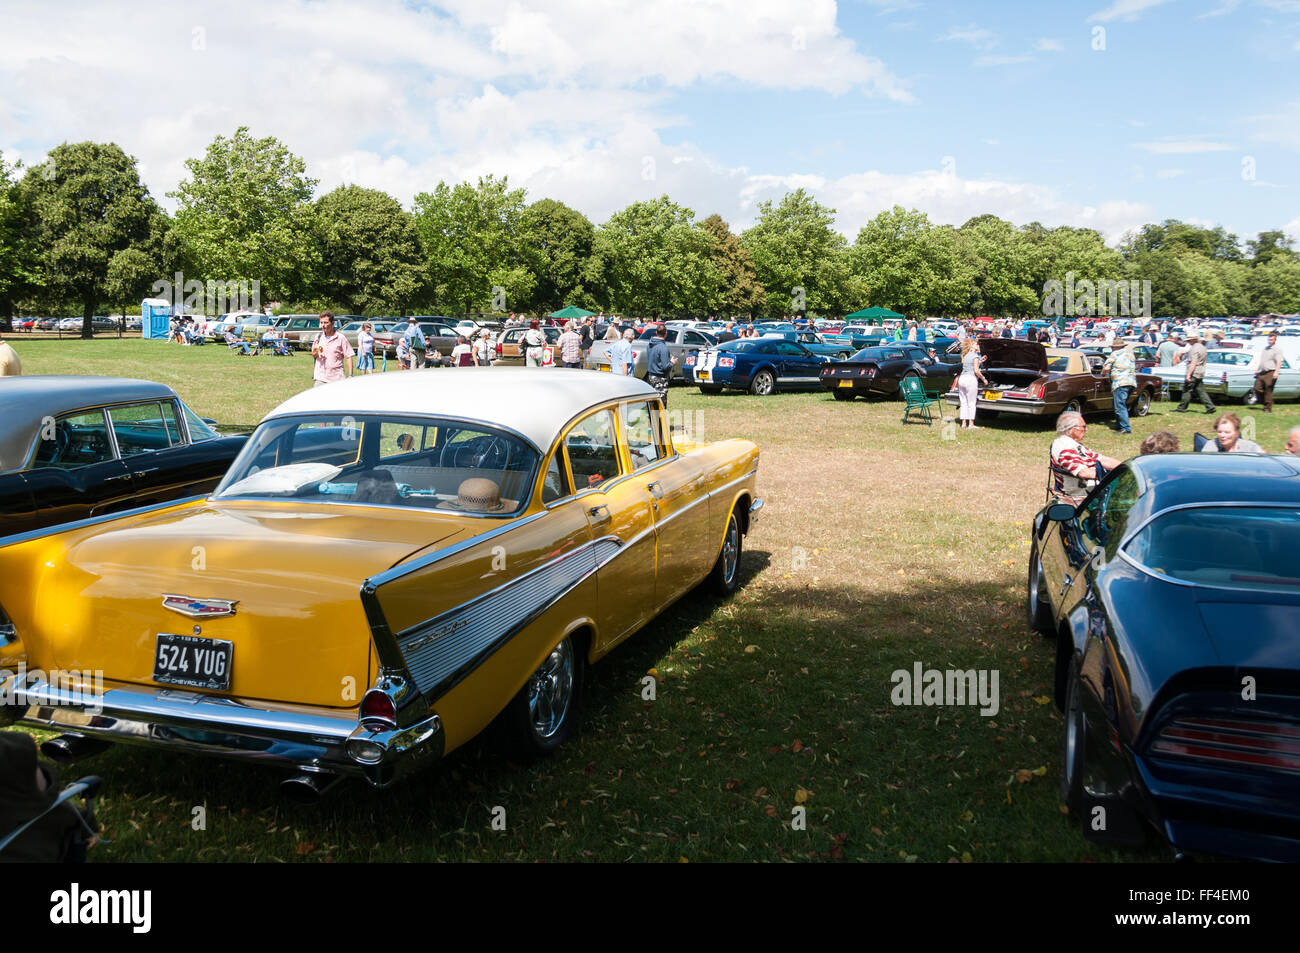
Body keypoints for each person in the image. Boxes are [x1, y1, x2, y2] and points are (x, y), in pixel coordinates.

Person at [1051, 411, 1122, 503]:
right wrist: (1110, 475)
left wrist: (1125, 466)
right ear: (1073, 429)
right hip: (1080, 493)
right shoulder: (1065, 448)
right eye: (1083, 427)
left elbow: (1102, 459)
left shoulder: (1075, 445)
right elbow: (1083, 473)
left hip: (1090, 486)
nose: (1086, 429)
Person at [1173, 331, 1215, 413]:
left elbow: (1193, 362)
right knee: (1200, 390)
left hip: (1194, 372)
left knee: (1187, 389)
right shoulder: (1203, 347)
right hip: (1201, 371)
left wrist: (1188, 375)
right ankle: (1210, 407)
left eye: (1189, 340)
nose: (1188, 342)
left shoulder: (1194, 349)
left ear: (1194, 340)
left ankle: (1182, 407)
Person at [1103, 339, 1137, 434]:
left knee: (1120, 406)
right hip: (1131, 382)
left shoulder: (1114, 354)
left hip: (1120, 382)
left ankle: (1125, 428)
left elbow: (1107, 367)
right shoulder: (1130, 355)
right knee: (1120, 404)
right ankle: (1119, 424)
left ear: (1115, 347)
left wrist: (1103, 373)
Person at [311, 312, 354, 387]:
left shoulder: (340, 338)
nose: (323, 325)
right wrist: (315, 353)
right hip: (321, 377)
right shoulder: (318, 337)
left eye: (326, 322)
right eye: (321, 323)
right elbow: (314, 355)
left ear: (332, 323)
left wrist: (350, 374)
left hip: (337, 378)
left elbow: (349, 356)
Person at [956, 337, 988, 430]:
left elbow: (971, 364)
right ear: (972, 346)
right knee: (971, 402)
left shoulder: (966, 356)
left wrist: (980, 360)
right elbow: (976, 370)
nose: (977, 346)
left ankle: (963, 423)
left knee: (963, 401)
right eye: (975, 344)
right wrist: (984, 378)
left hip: (962, 379)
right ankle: (971, 423)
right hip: (970, 379)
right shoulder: (975, 356)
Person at [1252, 332, 1284, 413]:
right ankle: (1268, 402)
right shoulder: (1265, 349)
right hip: (1262, 372)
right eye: (1269, 339)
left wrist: (1276, 372)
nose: (1270, 340)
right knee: (1257, 388)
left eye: (1272, 339)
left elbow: (1279, 361)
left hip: (1271, 372)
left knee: (1268, 389)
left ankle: (1267, 408)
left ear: (1275, 340)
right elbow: (1262, 361)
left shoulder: (1277, 349)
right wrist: (1257, 369)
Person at [646, 323, 674, 404]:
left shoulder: (650, 345)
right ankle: (659, 417)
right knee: (661, 404)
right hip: (660, 379)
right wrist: (672, 362)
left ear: (656, 332)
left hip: (651, 377)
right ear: (666, 333)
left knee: (653, 403)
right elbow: (665, 366)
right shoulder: (663, 347)